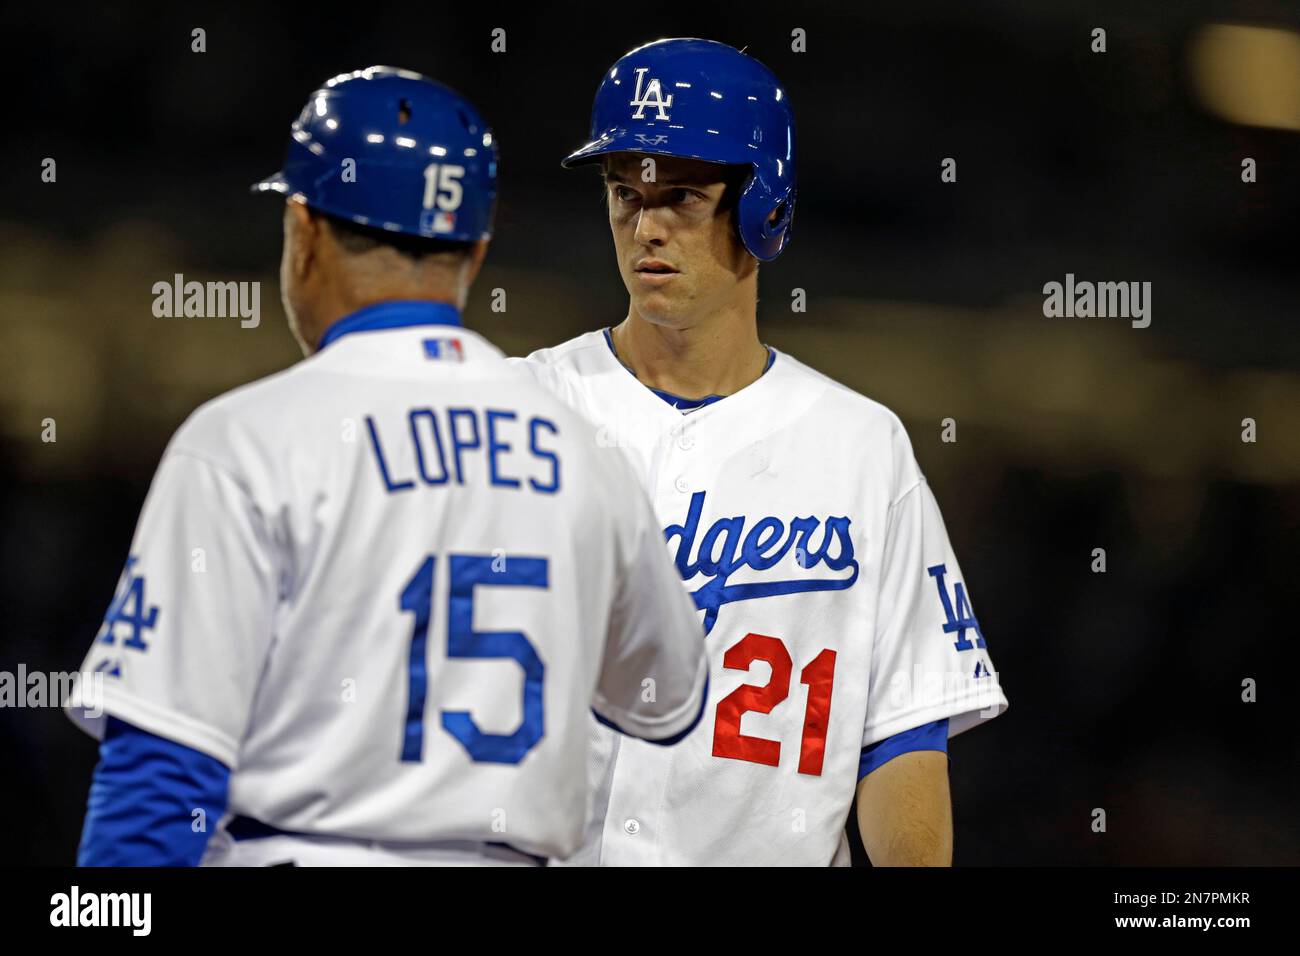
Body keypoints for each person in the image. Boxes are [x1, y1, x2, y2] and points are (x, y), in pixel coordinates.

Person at [65, 65, 707, 867]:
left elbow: (159, 773)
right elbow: (668, 697)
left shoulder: (244, 439)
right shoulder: (587, 452)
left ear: (304, 228)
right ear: (475, 249)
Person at [516, 39, 1009, 866]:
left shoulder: (861, 447)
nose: (647, 225)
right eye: (623, 192)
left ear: (763, 207)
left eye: (680, 195)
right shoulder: (515, 409)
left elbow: (901, 735)